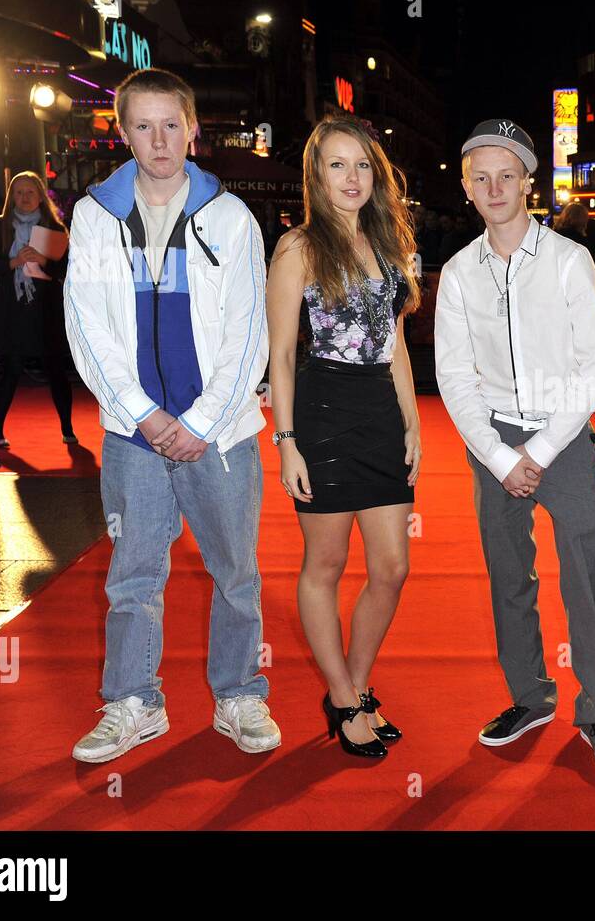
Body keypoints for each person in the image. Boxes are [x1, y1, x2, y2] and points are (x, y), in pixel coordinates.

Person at [65, 68, 279, 762]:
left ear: (193, 128)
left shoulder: (231, 217)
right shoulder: (96, 214)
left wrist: (202, 421)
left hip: (220, 435)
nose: (158, 141)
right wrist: (144, 416)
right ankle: (133, 701)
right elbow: (87, 326)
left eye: (170, 124)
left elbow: (252, 331)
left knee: (235, 570)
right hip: (133, 436)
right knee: (133, 574)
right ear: (122, 132)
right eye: (142, 126)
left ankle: (239, 694)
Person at [433, 118, 595, 771]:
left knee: (585, 574)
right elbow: (453, 374)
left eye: (506, 175)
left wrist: (539, 452)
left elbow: (594, 364)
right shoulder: (459, 273)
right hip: (491, 439)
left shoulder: (570, 261)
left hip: (565, 438)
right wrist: (497, 454)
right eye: (480, 176)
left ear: (528, 182)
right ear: (466, 186)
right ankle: (530, 695)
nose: (494, 186)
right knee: (507, 574)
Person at [266, 115, 422, 758]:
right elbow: (279, 354)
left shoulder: (391, 244)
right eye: (336, 164)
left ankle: (351, 687)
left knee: (392, 566)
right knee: (325, 565)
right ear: (316, 174)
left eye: (361, 164)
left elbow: (397, 343)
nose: (351, 177)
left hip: (382, 413)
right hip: (323, 410)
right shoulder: (298, 248)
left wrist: (411, 421)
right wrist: (287, 440)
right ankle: (347, 693)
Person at [0, 171, 74, 448]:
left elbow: (65, 268)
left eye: (30, 192)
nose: (24, 197)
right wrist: (14, 261)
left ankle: (67, 429)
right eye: (18, 192)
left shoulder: (54, 227)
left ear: (41, 195)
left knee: (56, 369)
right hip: (12, 308)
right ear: (11, 197)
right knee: (11, 369)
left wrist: (43, 259)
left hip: (46, 309)